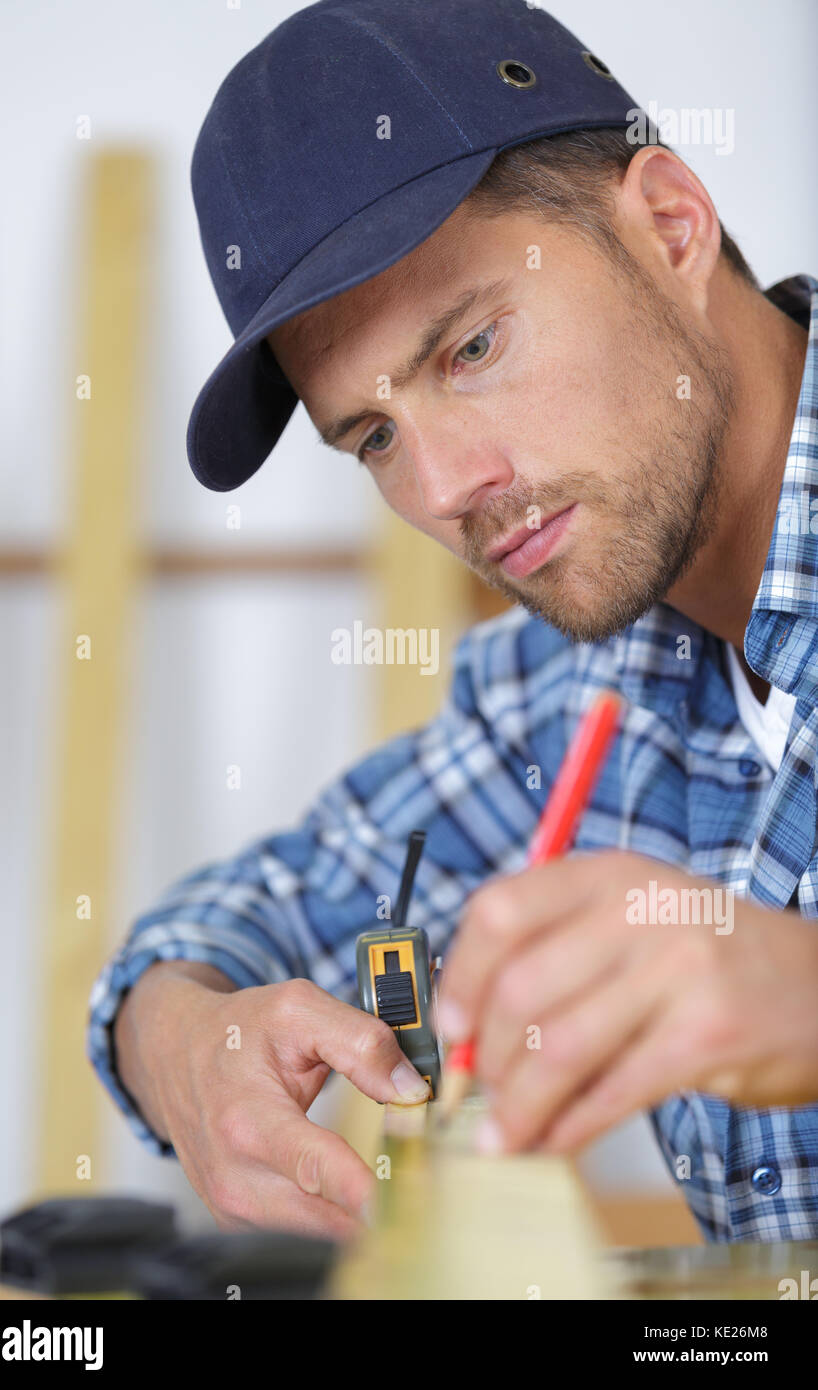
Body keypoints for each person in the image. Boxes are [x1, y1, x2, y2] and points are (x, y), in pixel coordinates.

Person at [88, 0, 818, 1243]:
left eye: (470, 347)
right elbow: (269, 903)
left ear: (668, 225)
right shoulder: (558, 689)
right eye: (372, 436)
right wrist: (177, 1032)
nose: (439, 492)